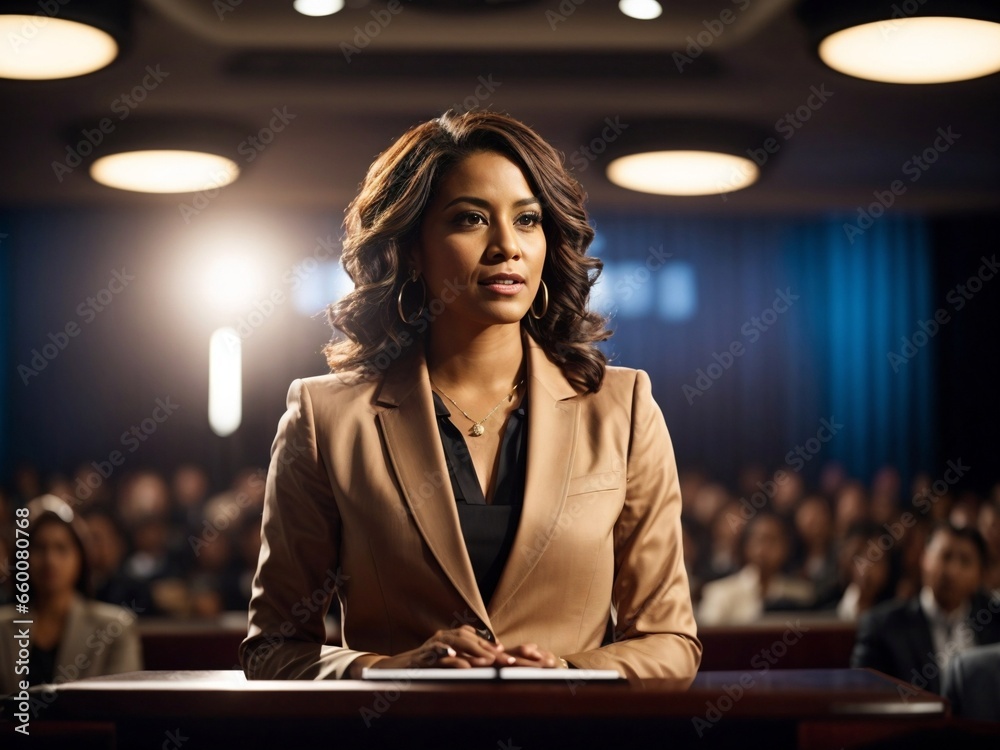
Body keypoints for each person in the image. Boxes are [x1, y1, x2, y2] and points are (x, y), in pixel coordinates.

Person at [239, 110, 701, 684]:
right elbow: (274, 649)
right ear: (411, 249)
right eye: (470, 219)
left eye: (528, 220)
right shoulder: (326, 417)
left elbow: (670, 643)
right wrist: (386, 671)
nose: (507, 246)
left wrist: (563, 671)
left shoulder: (623, 407)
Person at [0, 496, 143, 696]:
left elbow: (123, 703)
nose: (50, 560)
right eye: (40, 548)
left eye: (62, 548)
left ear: (80, 558)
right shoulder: (2, 627)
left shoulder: (114, 627)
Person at [850, 521, 1000, 694]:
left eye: (965, 561)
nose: (952, 571)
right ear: (924, 559)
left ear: (979, 574)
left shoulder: (995, 622)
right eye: (945, 556)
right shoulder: (883, 626)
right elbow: (862, 696)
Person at [697, 512, 815, 625]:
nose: (765, 548)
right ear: (746, 546)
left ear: (786, 547)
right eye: (760, 540)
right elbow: (707, 640)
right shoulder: (719, 593)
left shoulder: (801, 594)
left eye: (773, 540)